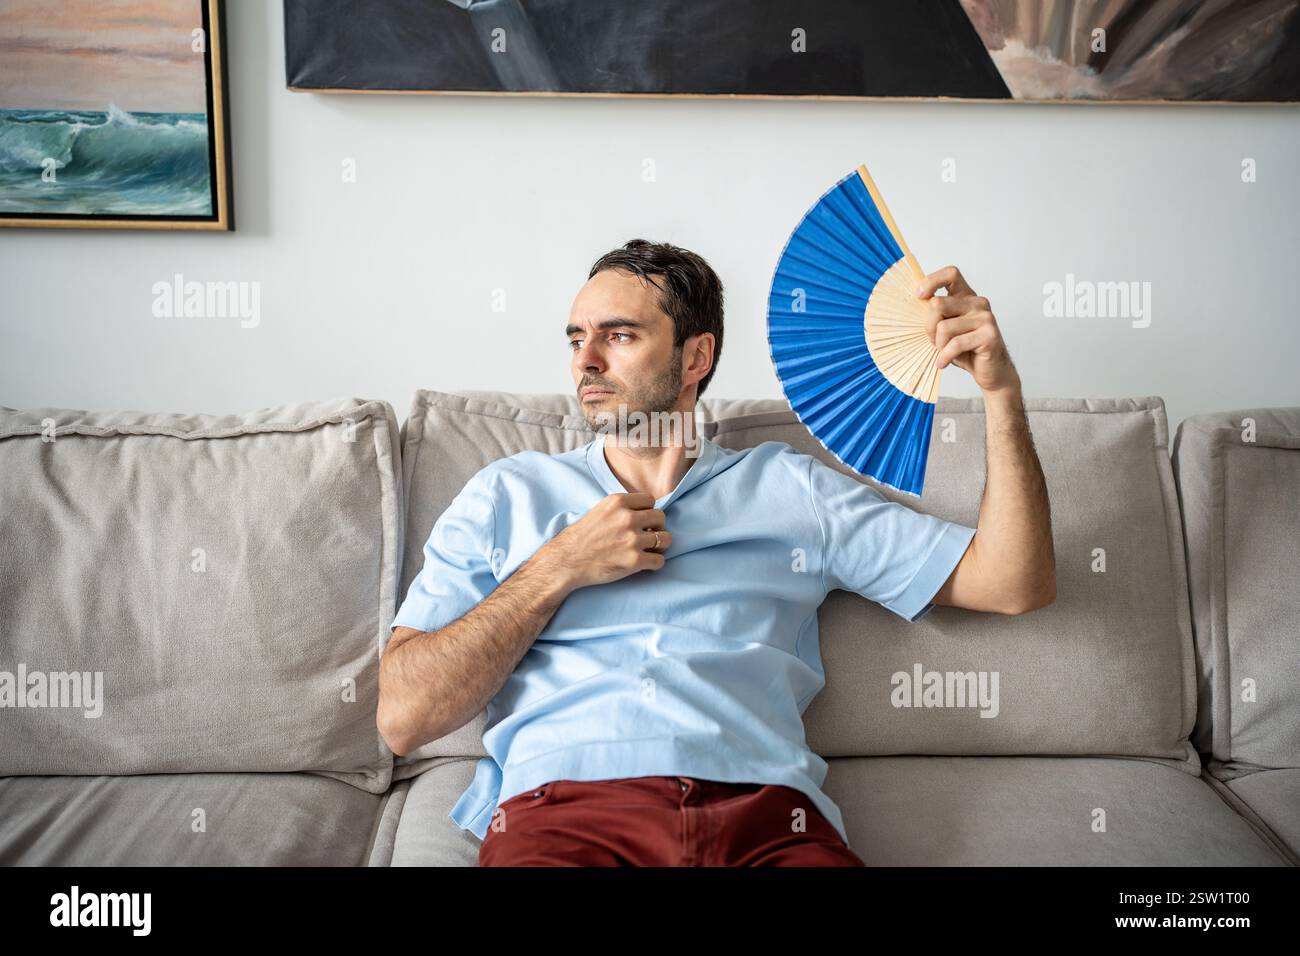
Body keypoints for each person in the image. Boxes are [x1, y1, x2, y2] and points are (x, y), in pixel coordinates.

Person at [378, 239, 1055, 866]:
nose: (586, 360)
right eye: (577, 338)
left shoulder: (788, 488)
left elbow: (1013, 582)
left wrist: (1001, 392)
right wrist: (558, 567)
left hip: (765, 819)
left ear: (695, 358)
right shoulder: (508, 494)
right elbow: (404, 719)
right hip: (566, 815)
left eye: (619, 335)